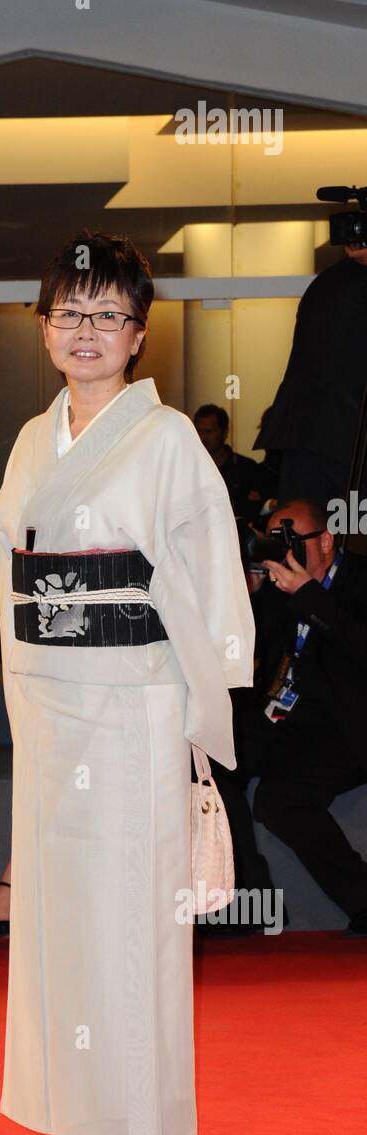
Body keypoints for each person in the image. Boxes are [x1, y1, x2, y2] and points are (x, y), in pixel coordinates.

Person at [0, 229, 255, 1135]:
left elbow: (208, 569)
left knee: (137, 916)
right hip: (54, 702)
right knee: (61, 917)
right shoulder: (30, 440)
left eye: (107, 314)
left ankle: (156, 1125)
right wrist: (19, 682)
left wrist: (204, 698)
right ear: (45, 328)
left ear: (139, 334)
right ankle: (82, 1116)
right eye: (69, 313)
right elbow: (8, 577)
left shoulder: (168, 436)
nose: (86, 330)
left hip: (139, 696)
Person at [211, 500, 367, 938]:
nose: (285, 553)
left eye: (292, 541)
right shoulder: (278, 587)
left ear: (326, 540)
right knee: (212, 761)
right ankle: (247, 902)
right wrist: (250, 598)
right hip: (281, 713)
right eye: (275, 541)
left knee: (280, 800)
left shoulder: (359, 582)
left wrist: (310, 596)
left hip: (344, 724)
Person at [254, 241, 367, 508]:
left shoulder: (329, 282)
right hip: (344, 438)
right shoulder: (341, 285)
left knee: (305, 535)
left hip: (308, 434)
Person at [193, 403, 276, 524]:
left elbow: (258, 511)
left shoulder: (247, 469)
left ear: (224, 432)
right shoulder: (188, 469)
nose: (202, 437)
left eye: (209, 432)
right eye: (198, 431)